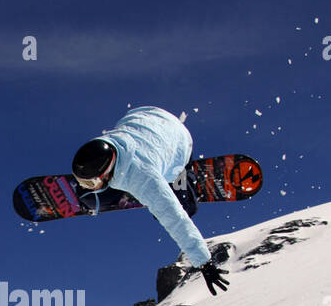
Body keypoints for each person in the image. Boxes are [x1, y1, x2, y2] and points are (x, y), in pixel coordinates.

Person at [72, 106, 229, 295]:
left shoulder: (145, 179)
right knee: (98, 193)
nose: (85, 184)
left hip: (179, 142)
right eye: (81, 181)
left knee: (183, 207)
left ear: (105, 172)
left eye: (88, 182)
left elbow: (175, 218)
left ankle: (187, 180)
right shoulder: (108, 142)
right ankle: (112, 192)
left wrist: (204, 262)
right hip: (149, 117)